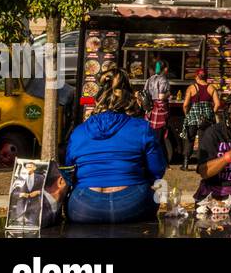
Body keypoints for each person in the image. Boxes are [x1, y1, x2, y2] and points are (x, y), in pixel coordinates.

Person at [64, 65, 168, 223]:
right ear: (129, 96)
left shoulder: (79, 132)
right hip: (133, 204)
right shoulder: (141, 127)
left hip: (83, 206)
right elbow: (157, 171)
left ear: (99, 96)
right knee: (159, 192)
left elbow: (69, 172)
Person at [180, 68, 220, 168]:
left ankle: (185, 164)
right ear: (206, 77)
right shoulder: (211, 88)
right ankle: (200, 164)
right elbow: (218, 104)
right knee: (203, 141)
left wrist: (187, 115)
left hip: (193, 116)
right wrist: (211, 113)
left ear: (197, 76)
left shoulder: (191, 88)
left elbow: (185, 105)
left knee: (190, 139)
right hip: (205, 119)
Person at [143, 61, 171, 149]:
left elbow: (145, 94)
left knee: (151, 137)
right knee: (159, 139)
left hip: (150, 111)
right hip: (159, 111)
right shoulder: (163, 79)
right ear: (165, 69)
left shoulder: (149, 79)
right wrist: (169, 93)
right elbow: (161, 97)